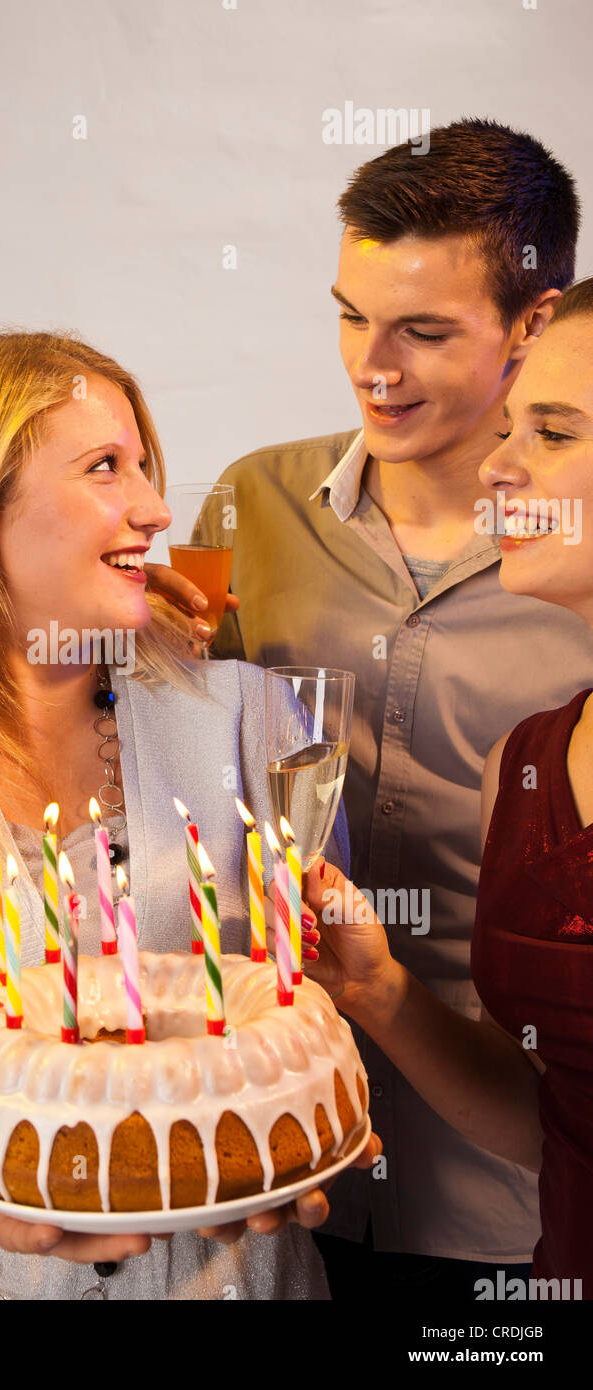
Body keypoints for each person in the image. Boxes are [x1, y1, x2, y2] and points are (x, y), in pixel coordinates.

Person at [0, 329, 373, 1300]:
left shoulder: (246, 717)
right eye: (103, 469)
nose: (154, 508)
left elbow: (299, 1016)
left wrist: (293, 1141)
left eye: (143, 466)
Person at [149, 118, 593, 1295]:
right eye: (350, 315)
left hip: (511, 1194)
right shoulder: (252, 502)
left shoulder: (576, 557)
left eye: (422, 331)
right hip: (290, 1155)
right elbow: (163, 757)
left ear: (534, 323)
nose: (370, 366)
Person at [300, 274, 593, 1292]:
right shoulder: (528, 763)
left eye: (552, 432)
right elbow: (547, 1114)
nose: (499, 469)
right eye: (509, 426)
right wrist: (381, 992)